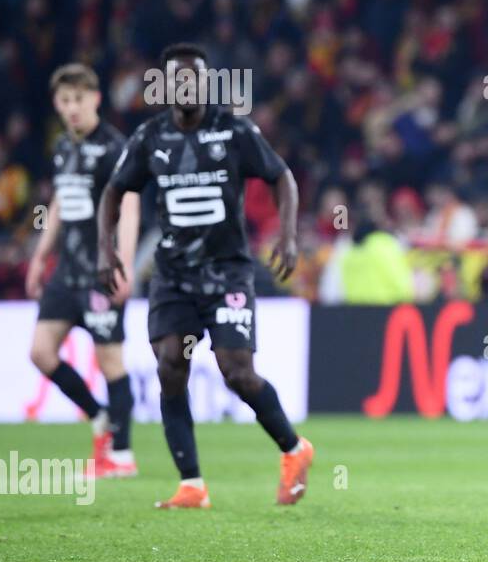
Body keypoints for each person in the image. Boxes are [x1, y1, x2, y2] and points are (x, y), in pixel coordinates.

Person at [96, 43, 312, 509]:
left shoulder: (233, 131)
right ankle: (191, 484)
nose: (185, 86)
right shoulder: (151, 137)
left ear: (206, 83)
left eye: (193, 79)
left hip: (228, 273)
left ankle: (295, 449)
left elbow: (281, 176)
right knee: (171, 365)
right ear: (165, 86)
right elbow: (114, 191)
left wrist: (288, 236)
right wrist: (105, 249)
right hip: (173, 276)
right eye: (176, 79)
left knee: (237, 373)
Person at [27, 64, 140, 476]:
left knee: (110, 362)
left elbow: (129, 203)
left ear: (95, 98)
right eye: (64, 101)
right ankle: (99, 417)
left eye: (79, 99)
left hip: (100, 271)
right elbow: (59, 200)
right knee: (40, 353)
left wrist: (123, 263)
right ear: (57, 104)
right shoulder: (62, 147)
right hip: (65, 272)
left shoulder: (114, 146)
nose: (71, 108)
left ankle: (122, 456)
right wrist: (41, 255)